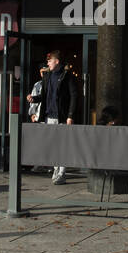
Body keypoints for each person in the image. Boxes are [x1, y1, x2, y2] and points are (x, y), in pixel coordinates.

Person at [41, 51, 77, 185]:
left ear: (57, 61)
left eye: (50, 61)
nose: (48, 63)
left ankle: (62, 172)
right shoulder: (47, 76)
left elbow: (74, 96)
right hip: (49, 115)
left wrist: (70, 115)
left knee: (63, 145)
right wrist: (34, 98)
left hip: (62, 116)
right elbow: (45, 95)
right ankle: (56, 169)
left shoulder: (67, 76)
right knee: (53, 145)